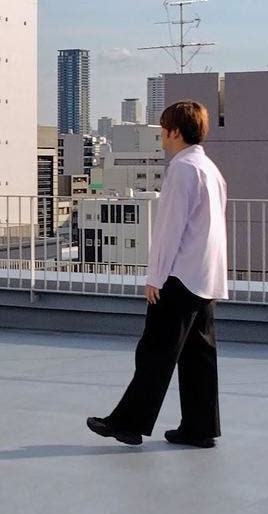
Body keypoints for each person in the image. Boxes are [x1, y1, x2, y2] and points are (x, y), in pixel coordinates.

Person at [87, 99, 227, 448]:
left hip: (180, 275)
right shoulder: (210, 169)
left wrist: (156, 277)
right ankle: (200, 427)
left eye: (164, 129)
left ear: (175, 131)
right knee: (199, 355)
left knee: (156, 350)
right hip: (206, 273)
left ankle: (128, 423)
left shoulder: (182, 169)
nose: (162, 136)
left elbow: (169, 230)